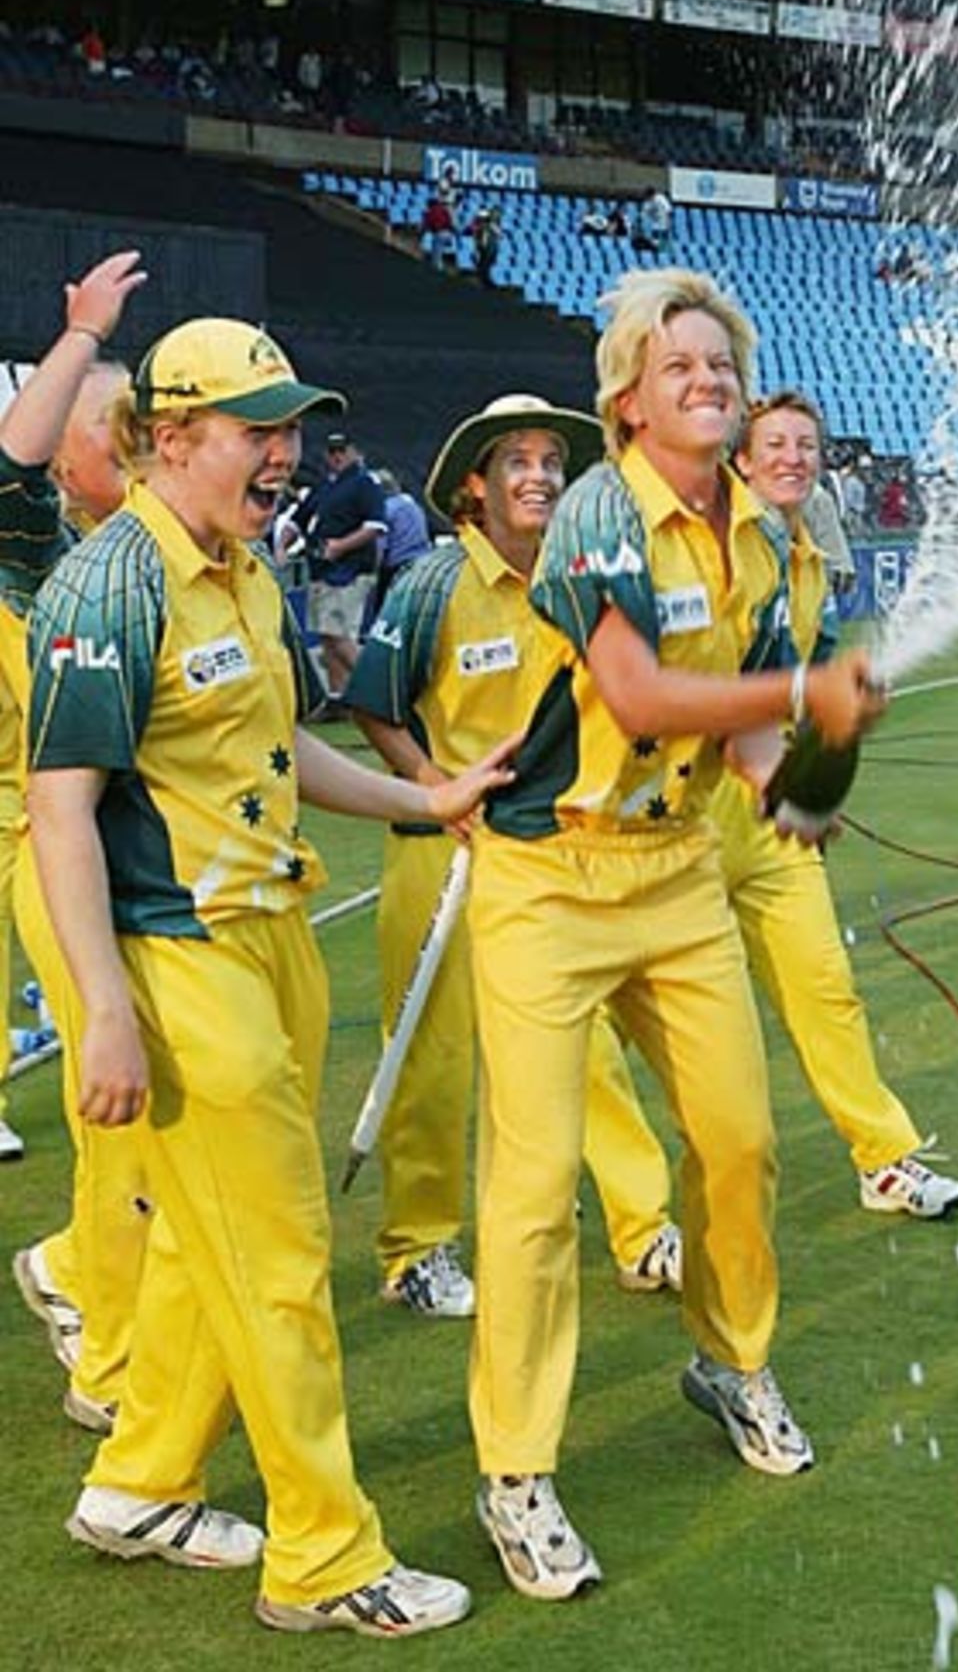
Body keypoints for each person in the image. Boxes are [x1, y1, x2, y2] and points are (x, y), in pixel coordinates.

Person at [25, 316, 517, 1639]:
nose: (285, 454)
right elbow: (61, 812)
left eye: (291, 426)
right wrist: (107, 1015)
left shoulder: (245, 570)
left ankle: (139, 1482)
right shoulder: (107, 587)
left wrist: (430, 797)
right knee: (285, 1261)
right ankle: (322, 1554)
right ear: (172, 437)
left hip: (272, 939)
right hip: (181, 959)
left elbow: (289, 750)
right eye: (259, 429)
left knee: (204, 1245)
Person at [465, 268, 883, 1602]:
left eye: (722, 364)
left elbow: (743, 722)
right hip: (546, 881)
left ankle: (733, 1360)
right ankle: (515, 1466)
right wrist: (807, 685)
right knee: (534, 1196)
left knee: (744, 1142)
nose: (708, 380)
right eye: (681, 365)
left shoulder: (754, 531)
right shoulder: (597, 509)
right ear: (629, 398)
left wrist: (789, 772)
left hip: (679, 872)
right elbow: (640, 693)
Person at [345, 395, 681, 1319]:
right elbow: (374, 702)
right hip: (441, 852)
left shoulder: (583, 577)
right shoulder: (429, 583)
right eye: (517, 462)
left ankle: (641, 1227)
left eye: (549, 461)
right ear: (475, 486)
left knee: (589, 1047)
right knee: (434, 1056)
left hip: (559, 853)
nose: (538, 476)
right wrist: (434, 784)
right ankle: (417, 1246)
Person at [722, 392, 958, 1217]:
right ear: (742, 461)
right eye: (776, 445)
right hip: (682, 818)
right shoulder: (708, 547)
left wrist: (828, 741)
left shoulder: (805, 558)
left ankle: (886, 1158)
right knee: (625, 1019)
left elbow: (809, 681)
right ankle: (636, 1215)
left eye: (806, 446)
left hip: (769, 820)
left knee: (825, 984)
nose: (793, 457)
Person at [4, 253, 154, 1431]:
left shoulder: (157, 556)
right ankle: (103, 1337)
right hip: (49, 856)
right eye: (124, 430)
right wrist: (81, 339)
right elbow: (4, 470)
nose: (148, 446)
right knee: (123, 1113)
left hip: (146, 864)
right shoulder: (42, 556)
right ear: (68, 457)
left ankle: (71, 1267)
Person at [291, 431, 385, 697]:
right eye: (332, 451)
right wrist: (282, 546)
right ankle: (338, 697)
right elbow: (297, 519)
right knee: (327, 635)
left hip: (350, 571)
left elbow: (376, 526)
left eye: (342, 450)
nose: (336, 456)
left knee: (340, 637)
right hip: (322, 569)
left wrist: (340, 546)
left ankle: (383, 693)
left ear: (355, 452)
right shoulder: (326, 486)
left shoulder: (365, 483)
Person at [361, 469, 431, 633]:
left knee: (384, 615)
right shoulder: (413, 506)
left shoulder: (384, 511)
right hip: (423, 565)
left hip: (396, 569)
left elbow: (380, 548)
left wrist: (373, 574)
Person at [470, 204, 502, 288]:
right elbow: (475, 228)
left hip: (492, 244)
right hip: (484, 243)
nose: (497, 215)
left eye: (498, 213)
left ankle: (486, 279)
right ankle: (481, 280)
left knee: (488, 262)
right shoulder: (485, 219)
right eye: (496, 212)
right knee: (483, 262)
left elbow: (499, 234)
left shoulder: (496, 222)